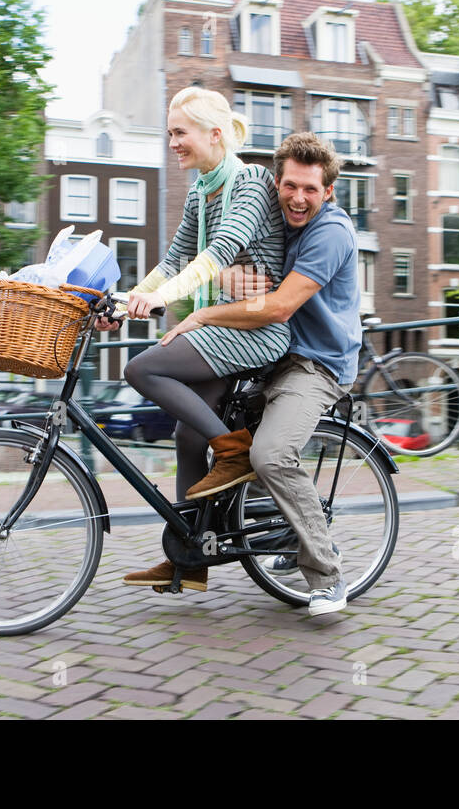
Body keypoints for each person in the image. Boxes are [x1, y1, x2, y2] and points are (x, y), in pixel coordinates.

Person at [156, 131, 361, 616]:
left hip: (315, 363)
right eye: (290, 185)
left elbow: (279, 307)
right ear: (277, 182)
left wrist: (203, 315)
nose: (298, 197)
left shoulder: (330, 232)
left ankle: (328, 575)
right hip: (269, 356)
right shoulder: (278, 216)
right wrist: (222, 276)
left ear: (328, 191)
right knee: (193, 426)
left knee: (269, 453)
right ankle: (195, 551)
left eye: (310, 190)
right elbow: (220, 253)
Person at [96, 86, 292, 593]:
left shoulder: (251, 182)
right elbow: (176, 258)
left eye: (179, 133)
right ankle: (190, 555)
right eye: (169, 134)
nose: (172, 143)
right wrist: (128, 300)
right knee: (186, 435)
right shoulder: (201, 190)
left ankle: (235, 451)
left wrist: (162, 302)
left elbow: (222, 250)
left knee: (143, 369)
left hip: (256, 326)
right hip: (218, 324)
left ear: (215, 134)